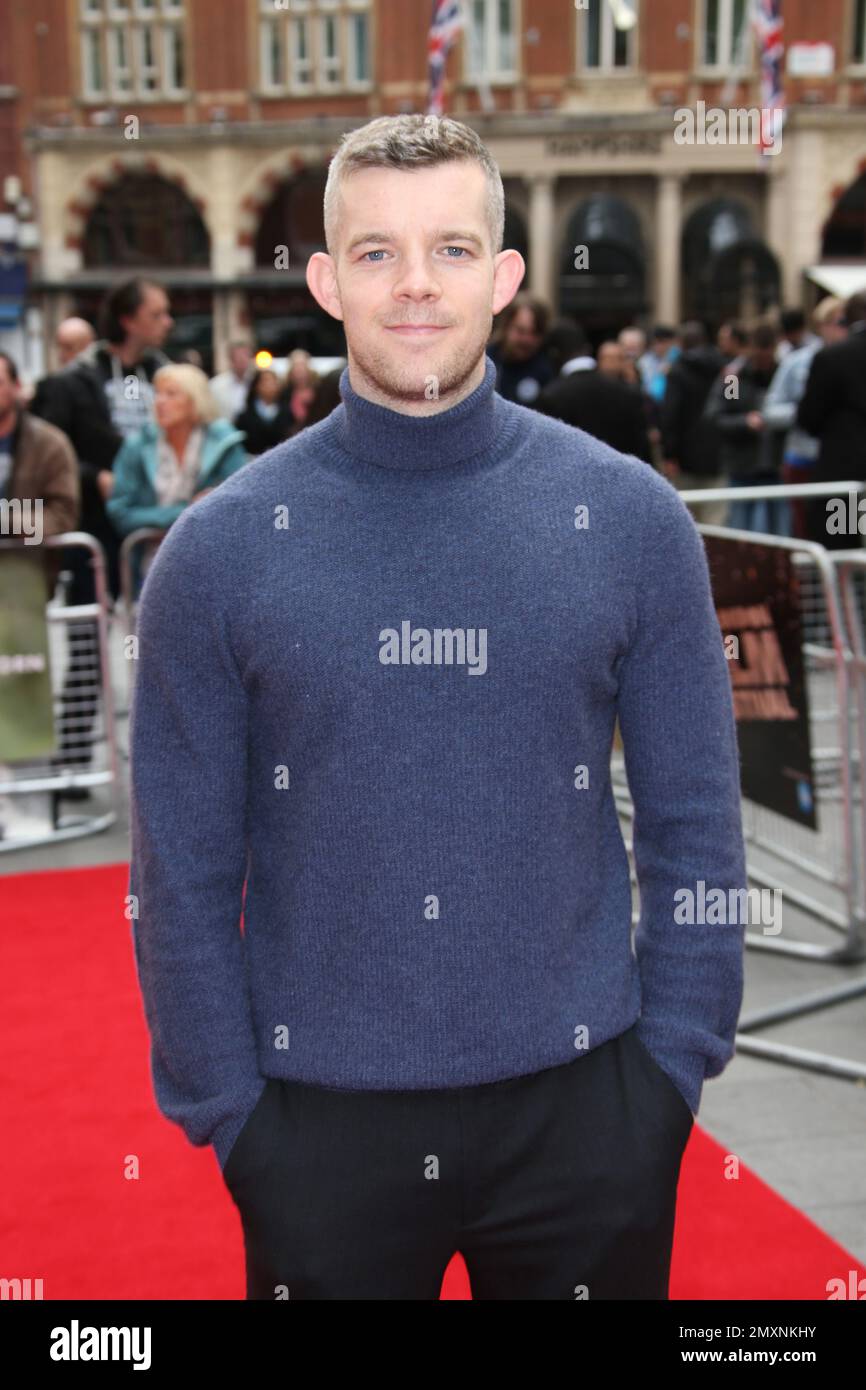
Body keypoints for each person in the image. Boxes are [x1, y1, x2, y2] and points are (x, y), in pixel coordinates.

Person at [128, 113, 746, 1302]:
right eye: (376, 253)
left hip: (590, 1112)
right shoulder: (217, 553)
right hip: (317, 1131)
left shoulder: (630, 522)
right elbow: (181, 871)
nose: (415, 286)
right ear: (324, 280)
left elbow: (693, 821)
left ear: (505, 277)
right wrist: (235, 1117)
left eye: (452, 250)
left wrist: (671, 1071)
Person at [28, 277, 174, 789]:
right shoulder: (75, 381)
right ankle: (70, 763)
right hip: (95, 532)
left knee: (163, 644)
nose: (168, 323)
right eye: (158, 314)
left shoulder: (165, 374)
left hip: (153, 530)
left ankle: (160, 759)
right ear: (130, 319)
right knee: (89, 642)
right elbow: (50, 451)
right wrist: (96, 478)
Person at [106, 363, 247, 559]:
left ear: (195, 401)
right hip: (151, 562)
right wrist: (186, 511)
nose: (160, 401)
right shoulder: (137, 446)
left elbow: (240, 506)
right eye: (158, 393)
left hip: (215, 557)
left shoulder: (225, 443)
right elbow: (120, 513)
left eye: (171, 394)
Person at [762, 297, 846, 539]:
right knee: (798, 528)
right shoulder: (734, 374)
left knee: (843, 530)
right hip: (796, 459)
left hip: (839, 462)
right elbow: (764, 407)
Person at [797, 289, 866, 550]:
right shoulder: (733, 376)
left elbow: (808, 417)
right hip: (844, 478)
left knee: (842, 559)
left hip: (843, 476)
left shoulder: (831, 357)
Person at [703, 324, 788, 535]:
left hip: (775, 462)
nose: (763, 361)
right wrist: (744, 422)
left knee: (780, 527)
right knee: (741, 527)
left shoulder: (782, 373)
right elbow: (718, 415)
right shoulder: (735, 379)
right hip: (743, 462)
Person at [535, 328, 652, 461]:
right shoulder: (628, 393)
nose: (611, 363)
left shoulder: (552, 394)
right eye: (607, 358)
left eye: (616, 358)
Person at [0, 351, 79, 542]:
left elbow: (62, 517)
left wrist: (7, 522)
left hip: (26, 562)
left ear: (16, 386)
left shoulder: (49, 444)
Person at [660, 321, 727, 525]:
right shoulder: (726, 370)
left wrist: (669, 453)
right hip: (719, 452)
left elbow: (670, 414)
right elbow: (733, 401)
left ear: (681, 343)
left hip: (686, 455)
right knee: (717, 518)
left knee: (689, 518)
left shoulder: (677, 372)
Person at [486, 293, 555, 405]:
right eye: (521, 331)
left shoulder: (548, 367)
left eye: (534, 333)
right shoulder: (485, 362)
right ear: (506, 326)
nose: (527, 340)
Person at [233, 367, 296, 456]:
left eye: (274, 382)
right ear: (256, 386)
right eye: (265, 381)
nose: (270, 386)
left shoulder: (287, 413)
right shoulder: (245, 416)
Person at [210, 340, 255, 421]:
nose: (242, 359)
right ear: (231, 359)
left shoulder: (256, 383)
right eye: (238, 356)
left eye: (245, 355)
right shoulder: (216, 385)